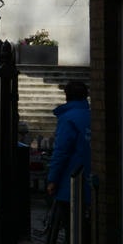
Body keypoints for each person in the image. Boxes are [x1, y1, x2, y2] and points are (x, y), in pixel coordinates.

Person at [47, 81, 92, 209]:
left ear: (66, 96)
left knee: (71, 223)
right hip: (90, 179)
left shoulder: (67, 119)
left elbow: (61, 152)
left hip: (71, 181)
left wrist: (52, 179)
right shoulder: (91, 116)